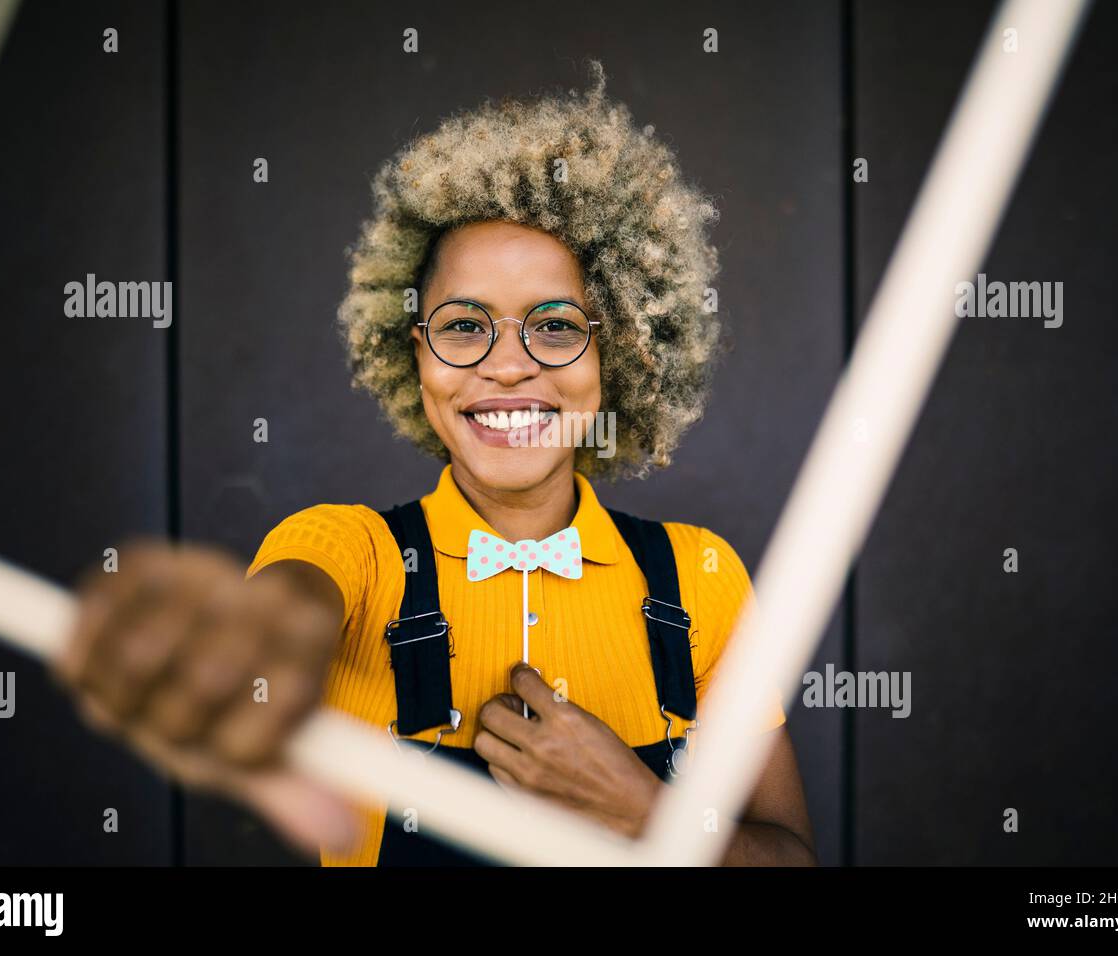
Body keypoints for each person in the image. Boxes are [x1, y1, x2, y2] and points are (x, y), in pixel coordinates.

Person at [52, 59, 816, 866]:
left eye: (554, 326)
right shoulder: (351, 555)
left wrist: (642, 811)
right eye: (463, 326)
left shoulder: (701, 579)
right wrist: (236, 647)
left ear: (617, 355)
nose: (508, 366)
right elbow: (283, 620)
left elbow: (791, 860)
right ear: (416, 356)